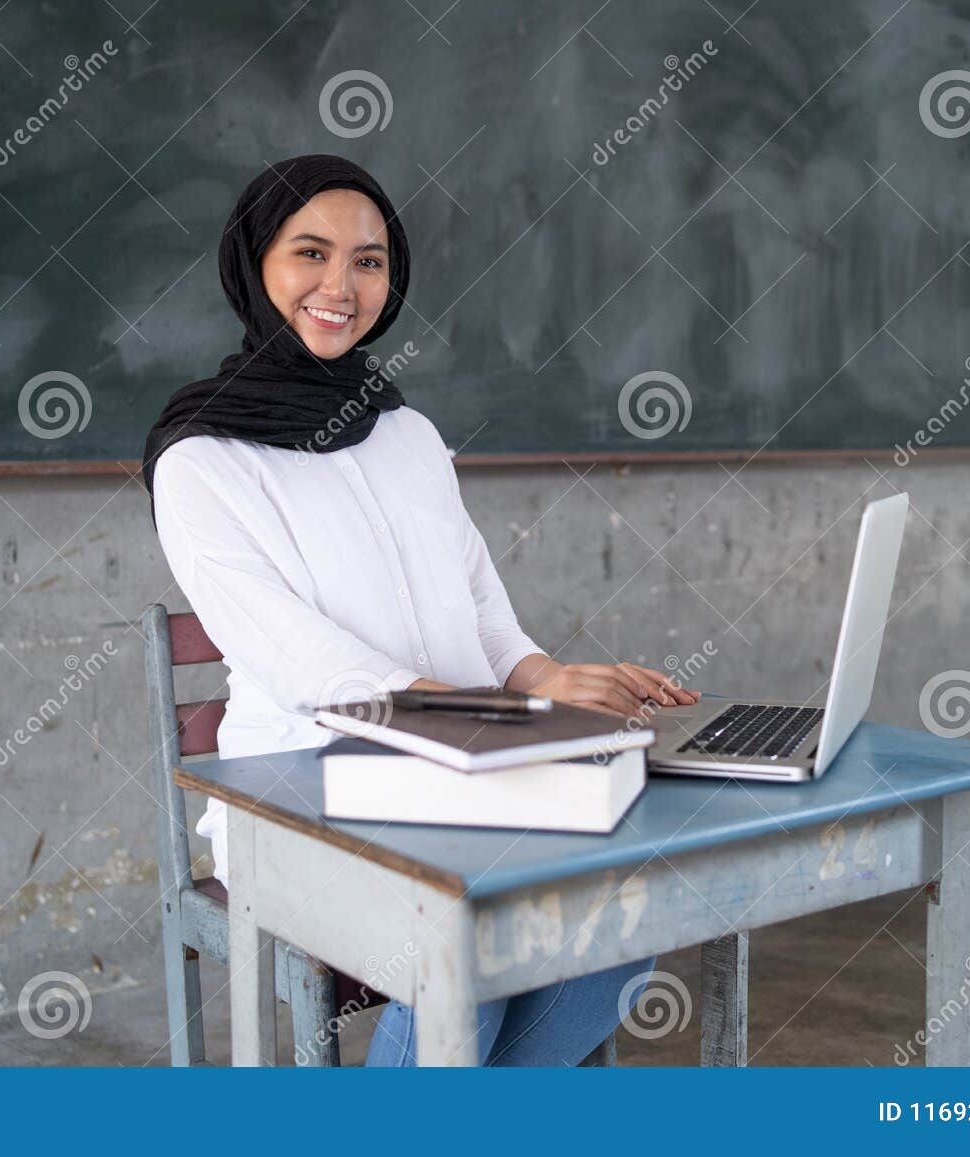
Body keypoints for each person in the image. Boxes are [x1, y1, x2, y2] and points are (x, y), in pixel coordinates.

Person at [142, 153, 698, 1066]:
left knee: (619, 923)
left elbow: (473, 590)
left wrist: (542, 677)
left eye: (368, 261)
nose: (341, 286)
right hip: (304, 794)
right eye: (310, 253)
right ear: (254, 263)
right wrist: (503, 717)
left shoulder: (405, 430)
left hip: (466, 768)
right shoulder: (200, 459)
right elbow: (305, 663)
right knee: (470, 928)